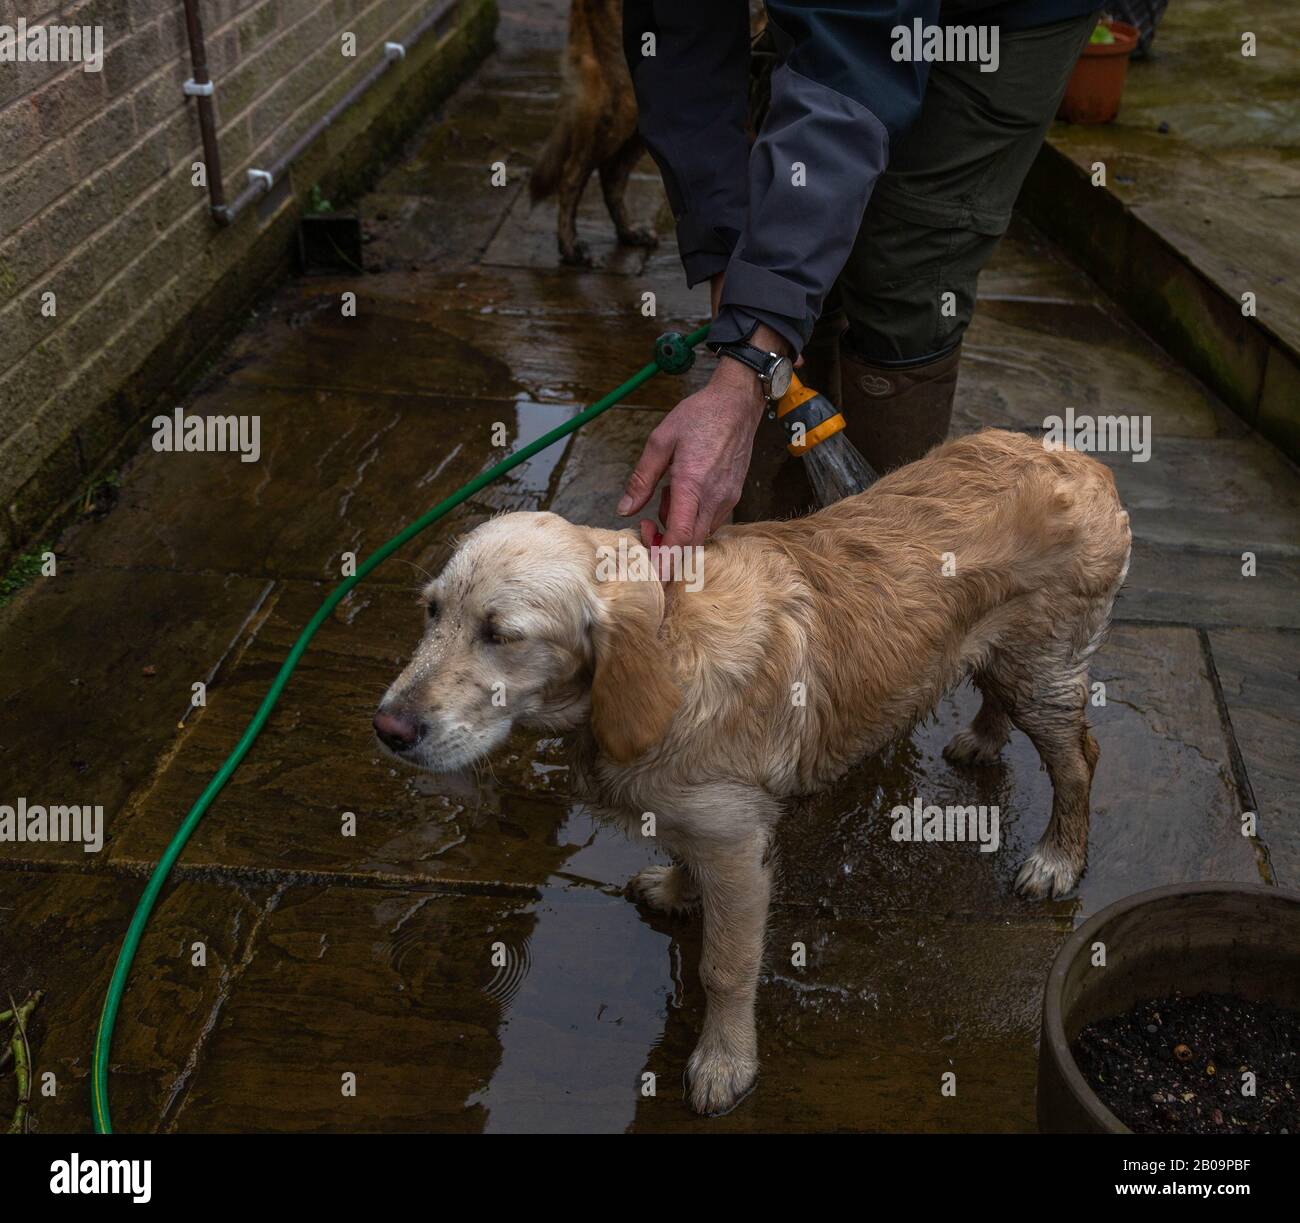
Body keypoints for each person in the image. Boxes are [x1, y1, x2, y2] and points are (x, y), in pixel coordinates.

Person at [617, 0, 1100, 548]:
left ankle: (886, 584)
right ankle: (765, 568)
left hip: (997, 22)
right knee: (773, 229)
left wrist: (745, 369)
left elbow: (850, 68)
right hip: (840, 22)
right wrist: (727, 248)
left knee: (904, 262)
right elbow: (682, 44)